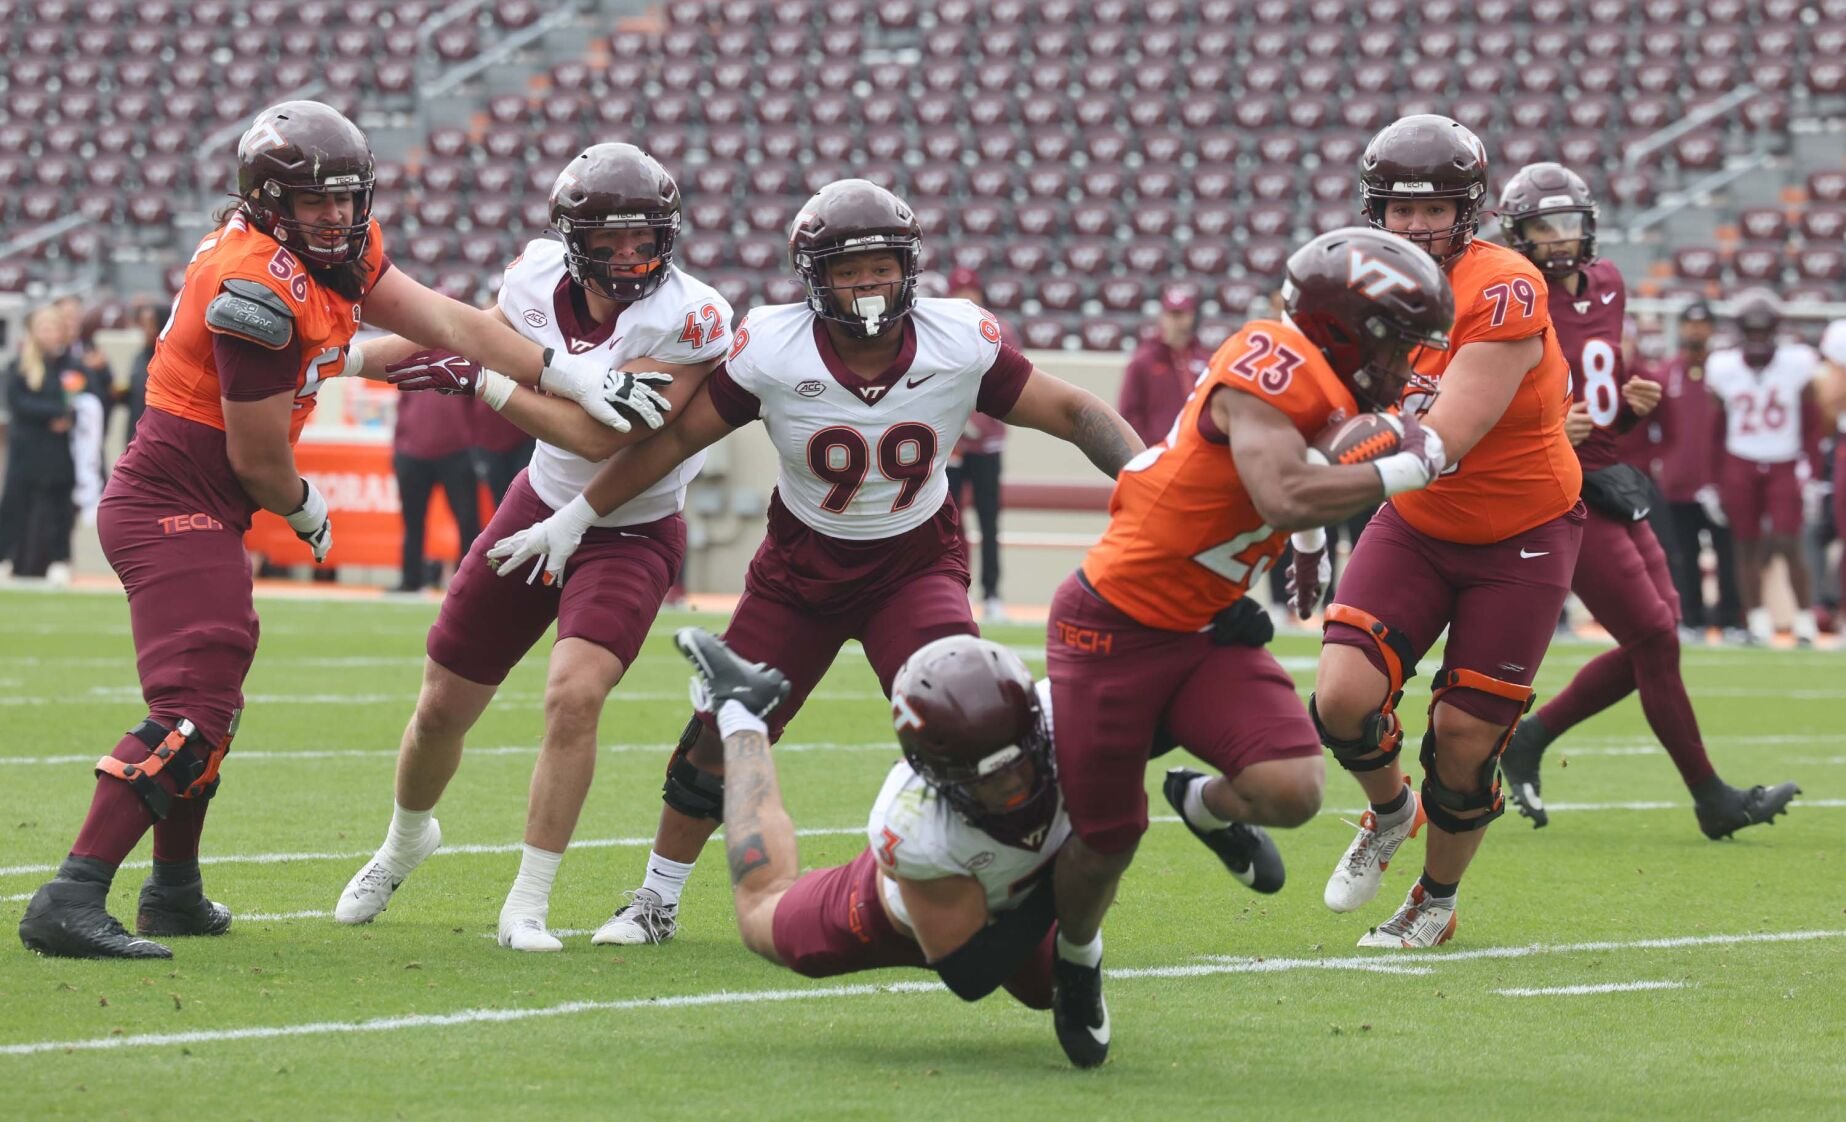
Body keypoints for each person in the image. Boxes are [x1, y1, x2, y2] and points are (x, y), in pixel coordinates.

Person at [15, 101, 667, 961]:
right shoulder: (255, 288)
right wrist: (302, 504)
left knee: (217, 697)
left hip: (205, 496)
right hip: (176, 494)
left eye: (345, 198)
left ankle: (172, 890)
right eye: (312, 201)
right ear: (265, 201)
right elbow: (256, 459)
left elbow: (447, 322)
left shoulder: (330, 250)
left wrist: (566, 375)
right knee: (195, 702)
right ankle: (72, 892)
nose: (334, 216)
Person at [485, 178, 1144, 949]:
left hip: (913, 565)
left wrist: (1148, 485)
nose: (868, 284)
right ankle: (656, 899)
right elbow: (675, 441)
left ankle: (1024, 897)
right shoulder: (772, 346)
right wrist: (579, 514)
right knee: (717, 732)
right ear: (813, 278)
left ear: (909, 268)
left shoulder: (960, 337)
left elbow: (1075, 411)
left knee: (976, 724)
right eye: (848, 269)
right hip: (799, 570)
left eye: (880, 266)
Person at [1046, 226, 1455, 1066]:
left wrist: (1303, 550)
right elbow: (1281, 486)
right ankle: (1076, 956)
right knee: (1105, 838)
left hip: (1204, 623)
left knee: (1293, 788)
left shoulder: (1330, 384)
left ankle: (1204, 803)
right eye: (1400, 342)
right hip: (1113, 624)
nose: (1408, 363)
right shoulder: (1271, 355)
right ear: (1350, 329)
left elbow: (1295, 470)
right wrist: (1408, 466)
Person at [333, 143, 731, 952]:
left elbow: (595, 436)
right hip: (535, 505)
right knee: (442, 705)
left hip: (631, 527)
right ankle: (407, 838)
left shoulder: (691, 317)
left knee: (573, 695)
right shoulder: (533, 279)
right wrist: (339, 360)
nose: (631, 255)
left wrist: (482, 382)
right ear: (574, 237)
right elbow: (463, 335)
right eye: (611, 239)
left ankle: (528, 900)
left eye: (644, 236)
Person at [1311, 115, 1586, 948]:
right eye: (1400, 209)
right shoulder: (1357, 281)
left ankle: (1434, 900)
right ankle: (1392, 811)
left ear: (1470, 210)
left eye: (1435, 209)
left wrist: (1323, 487)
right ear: (1376, 210)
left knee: (1466, 738)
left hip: (1521, 532)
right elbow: (1318, 400)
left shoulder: (1505, 283)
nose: (1417, 225)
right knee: (1342, 697)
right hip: (1421, 521)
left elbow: (1446, 437)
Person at [1493, 163, 1799, 839]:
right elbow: (1477, 401)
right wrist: (1545, 430)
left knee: (1659, 640)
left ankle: (1530, 738)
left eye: (1567, 223)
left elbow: (1600, 385)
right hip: (1552, 485)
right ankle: (1711, 798)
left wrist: (1629, 409)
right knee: (1655, 636)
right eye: (1542, 228)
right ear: (1517, 236)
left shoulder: (1607, 284)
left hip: (1610, 471)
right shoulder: (1511, 300)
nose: (1558, 239)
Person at [678, 628, 1075, 1041]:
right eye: (985, 779)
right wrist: (1070, 868)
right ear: (934, 774)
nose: (1011, 789)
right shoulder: (912, 820)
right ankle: (741, 712)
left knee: (1047, 987)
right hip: (899, 910)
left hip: (1010, 890)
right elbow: (969, 974)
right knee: (759, 911)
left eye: (1017, 765)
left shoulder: (1068, 716)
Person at [1706, 292, 1825, 645]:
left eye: (1763, 330)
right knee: (1745, 543)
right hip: (1739, 459)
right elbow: (1714, 431)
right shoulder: (1723, 366)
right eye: (1751, 330)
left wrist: (1814, 475)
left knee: (1789, 542)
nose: (1757, 337)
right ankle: (1756, 621)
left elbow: (1812, 424)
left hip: (1784, 460)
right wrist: (1712, 482)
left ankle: (1803, 620)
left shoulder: (1798, 362)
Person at [1646, 302, 1745, 639]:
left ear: (1713, 329)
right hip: (1677, 480)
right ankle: (1690, 618)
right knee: (1681, 553)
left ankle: (1731, 618)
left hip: (1720, 481)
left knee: (1727, 552)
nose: (1695, 331)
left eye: (1702, 325)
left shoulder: (1729, 372)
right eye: (1690, 324)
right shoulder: (1666, 371)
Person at [943, 266, 1013, 621]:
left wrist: (977, 423)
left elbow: (1010, 386)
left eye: (972, 292)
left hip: (986, 446)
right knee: (949, 523)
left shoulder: (997, 331)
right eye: (961, 292)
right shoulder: (939, 332)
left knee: (989, 522)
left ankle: (992, 594)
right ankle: (956, 590)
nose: (967, 299)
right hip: (952, 446)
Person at [0, 305, 79, 579]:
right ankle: (6, 558)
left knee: (60, 505)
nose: (49, 333)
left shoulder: (70, 366)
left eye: (53, 327)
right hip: (26, 448)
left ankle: (60, 560)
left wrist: (68, 415)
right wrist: (54, 414)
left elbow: (83, 400)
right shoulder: (19, 366)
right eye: (43, 327)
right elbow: (19, 403)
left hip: (58, 450)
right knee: (14, 504)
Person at [390, 385, 481, 592]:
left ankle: (471, 580)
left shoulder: (464, 356)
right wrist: (398, 449)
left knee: (467, 521)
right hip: (412, 452)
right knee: (412, 522)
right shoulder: (410, 358)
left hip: (456, 451)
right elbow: (403, 405)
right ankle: (411, 578)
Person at [1116, 285, 1211, 447]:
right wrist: (1145, 446)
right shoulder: (1144, 360)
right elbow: (1130, 411)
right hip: (1157, 448)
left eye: (1181, 315)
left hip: (1195, 447)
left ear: (1191, 317)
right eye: (1171, 315)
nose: (1176, 321)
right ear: (1162, 317)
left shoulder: (1204, 358)